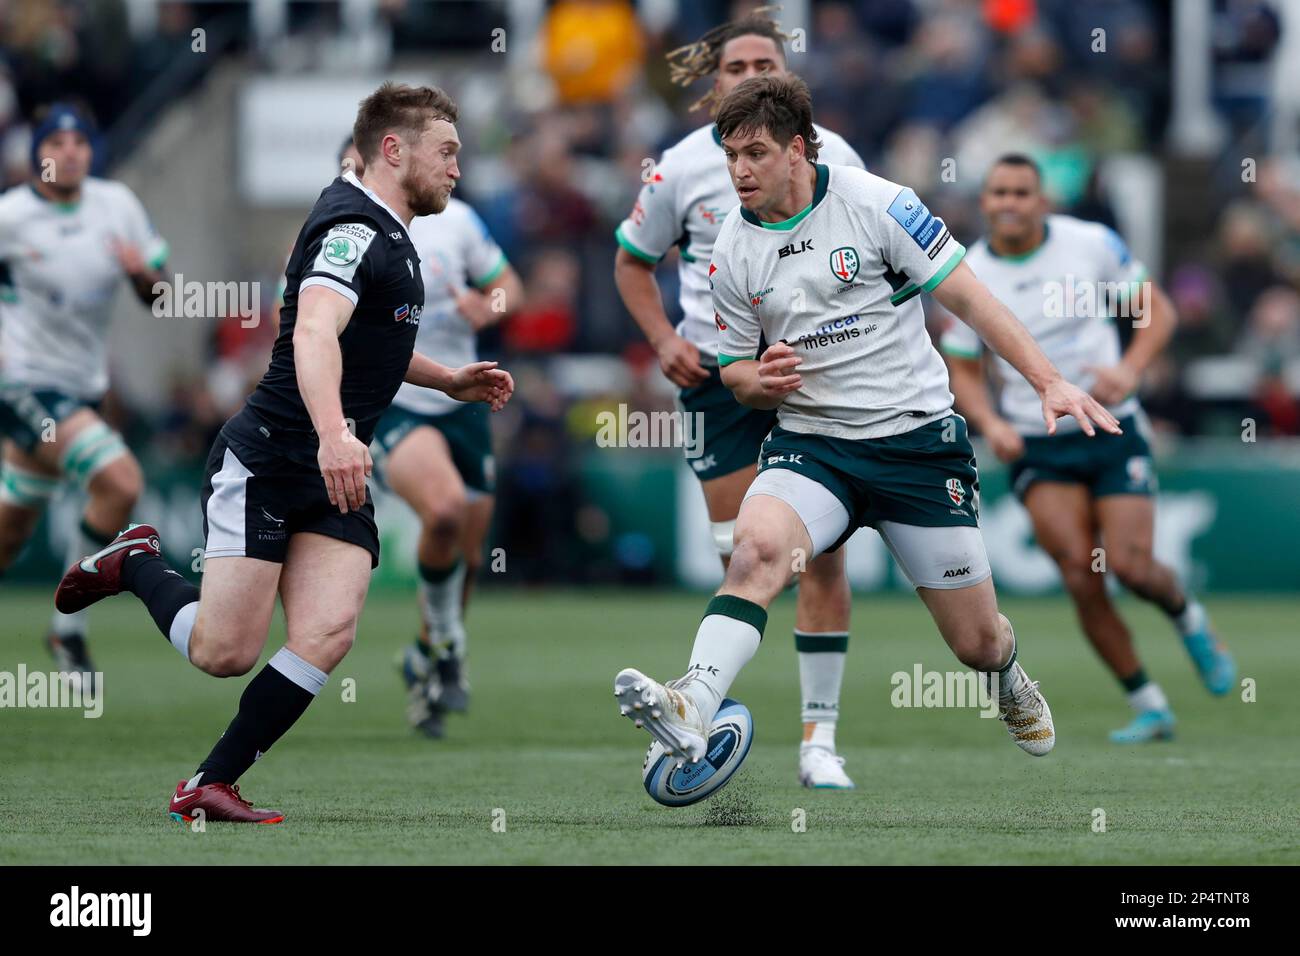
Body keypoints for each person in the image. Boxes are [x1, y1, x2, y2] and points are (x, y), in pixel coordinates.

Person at [614, 75, 1121, 770]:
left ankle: (1008, 675)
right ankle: (691, 706)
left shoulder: (880, 204)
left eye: (755, 153)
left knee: (975, 642)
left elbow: (973, 302)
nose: (739, 171)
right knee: (756, 555)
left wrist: (1048, 381)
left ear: (798, 150)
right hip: (812, 448)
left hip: (915, 447)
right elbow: (732, 368)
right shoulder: (730, 245)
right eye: (731, 155)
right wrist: (757, 382)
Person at [54, 83, 513, 824]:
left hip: (332, 472)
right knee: (223, 653)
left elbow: (367, 342)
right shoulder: (351, 229)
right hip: (271, 460)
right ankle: (136, 562)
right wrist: (335, 431)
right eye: (448, 152)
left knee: (328, 632)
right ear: (393, 150)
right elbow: (312, 334)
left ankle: (209, 781)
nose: (460, 169)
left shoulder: (393, 231)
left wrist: (446, 377)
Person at [613, 12, 864, 789]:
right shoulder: (682, 168)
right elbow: (632, 263)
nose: (750, 75)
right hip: (720, 383)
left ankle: (819, 742)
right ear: (711, 83)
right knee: (746, 557)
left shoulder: (837, 160)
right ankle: (708, 707)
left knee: (818, 559)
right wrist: (663, 342)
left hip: (812, 382)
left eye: (765, 63)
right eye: (734, 66)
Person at [940, 154, 1235, 743]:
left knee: (1129, 565)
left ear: (1043, 200)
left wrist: (1129, 370)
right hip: (1036, 440)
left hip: (1109, 425)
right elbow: (963, 368)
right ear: (985, 201)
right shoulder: (965, 270)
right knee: (1081, 574)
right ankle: (1149, 703)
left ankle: (1187, 617)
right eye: (999, 192)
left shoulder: (1090, 243)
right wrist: (989, 421)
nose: (1009, 203)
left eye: (1022, 192)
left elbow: (1158, 312)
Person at [345, 139, 523, 739]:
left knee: (468, 552)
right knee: (444, 511)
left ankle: (428, 656)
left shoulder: (458, 221)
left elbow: (508, 289)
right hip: (394, 400)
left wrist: (487, 305)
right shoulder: (346, 230)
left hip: (463, 397)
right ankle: (447, 647)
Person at [0, 102, 166, 688]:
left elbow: (162, 296)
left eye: (79, 141)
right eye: (56, 142)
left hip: (83, 390)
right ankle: (67, 627)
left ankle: (60, 629)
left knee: (9, 532)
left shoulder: (115, 205)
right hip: (23, 385)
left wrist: (144, 275)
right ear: (37, 155)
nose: (69, 151)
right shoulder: (11, 217)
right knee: (120, 481)